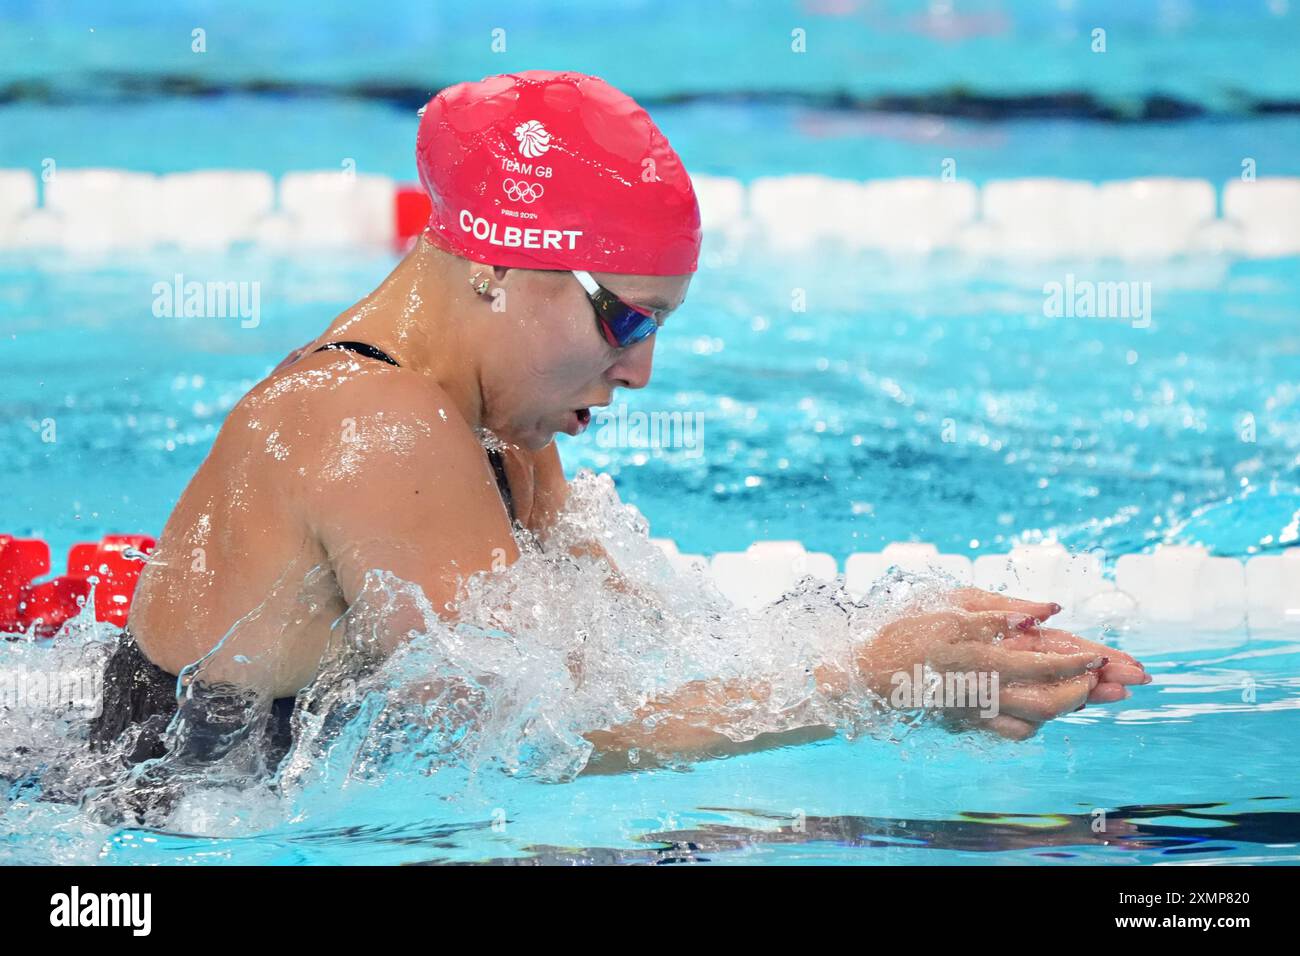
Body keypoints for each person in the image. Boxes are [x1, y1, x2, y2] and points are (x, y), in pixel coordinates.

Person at [87, 70, 1148, 771]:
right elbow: (527, 742)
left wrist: (916, 646)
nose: (639, 368)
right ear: (498, 265)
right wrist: (873, 683)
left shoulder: (502, 428)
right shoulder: (373, 424)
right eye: (624, 317)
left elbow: (649, 651)